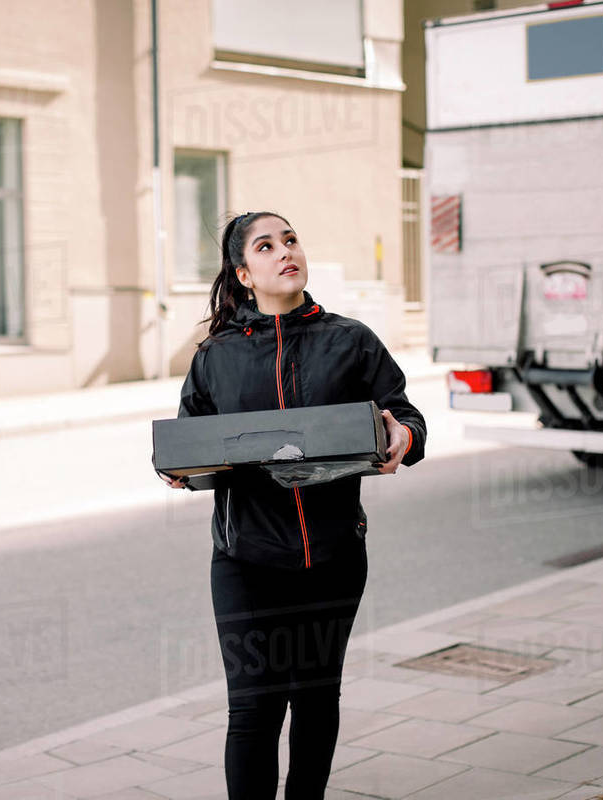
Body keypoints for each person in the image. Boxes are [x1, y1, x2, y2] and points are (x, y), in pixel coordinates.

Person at [158, 211, 426, 799]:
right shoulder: (217, 356)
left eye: (291, 239)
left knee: (314, 698)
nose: (286, 251)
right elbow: (189, 444)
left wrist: (401, 437)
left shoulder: (350, 340)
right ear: (243, 273)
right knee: (253, 711)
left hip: (331, 556)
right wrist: (182, 471)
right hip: (245, 559)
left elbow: (406, 416)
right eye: (267, 245)